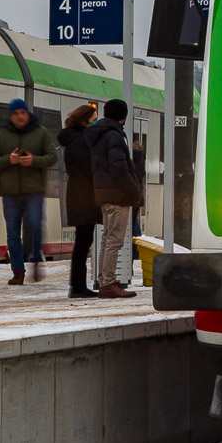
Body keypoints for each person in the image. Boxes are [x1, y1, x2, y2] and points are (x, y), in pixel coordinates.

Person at [0, 98, 57, 285]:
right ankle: (18, 271)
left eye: (23, 113)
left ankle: (35, 258)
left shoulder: (40, 132)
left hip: (34, 189)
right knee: (12, 232)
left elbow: (52, 157)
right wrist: (8, 160)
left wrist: (33, 160)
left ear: (28, 114)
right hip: (10, 191)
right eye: (16, 113)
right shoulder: (1, 133)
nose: (20, 116)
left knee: (35, 224)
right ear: (11, 116)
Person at [86, 98, 144, 298]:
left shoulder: (98, 134)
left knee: (106, 239)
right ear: (123, 117)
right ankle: (108, 283)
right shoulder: (115, 137)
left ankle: (105, 280)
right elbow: (119, 168)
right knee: (115, 240)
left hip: (104, 194)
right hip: (118, 196)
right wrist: (134, 191)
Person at [57, 103, 101, 299]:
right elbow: (90, 169)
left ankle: (78, 285)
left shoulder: (74, 140)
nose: (96, 124)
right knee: (83, 242)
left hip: (77, 194)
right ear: (84, 122)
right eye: (94, 120)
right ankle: (78, 286)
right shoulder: (82, 142)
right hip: (84, 196)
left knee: (82, 242)